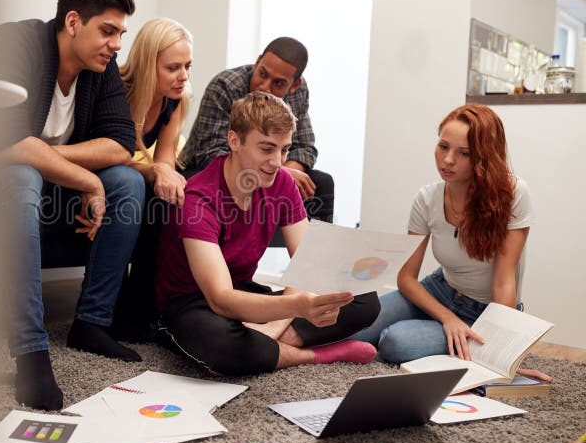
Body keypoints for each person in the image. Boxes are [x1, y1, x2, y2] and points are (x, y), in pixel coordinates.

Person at [0, 0, 145, 411]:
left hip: (50, 180)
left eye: (121, 33)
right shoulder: (17, 42)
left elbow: (120, 143)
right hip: (3, 181)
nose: (117, 44)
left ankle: (92, 322)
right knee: (23, 175)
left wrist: (53, 159)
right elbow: (5, 142)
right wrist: (86, 179)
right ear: (73, 21)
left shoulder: (102, 67)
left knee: (130, 182)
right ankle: (31, 350)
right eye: (108, 31)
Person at [155, 91, 380, 376]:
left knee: (362, 297)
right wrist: (296, 306)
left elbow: (308, 262)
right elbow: (220, 299)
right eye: (266, 148)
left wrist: (278, 320)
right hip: (193, 303)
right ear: (234, 141)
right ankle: (314, 355)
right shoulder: (200, 198)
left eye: (284, 150)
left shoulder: (282, 182)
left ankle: (266, 342)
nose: (277, 161)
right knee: (223, 346)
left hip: (244, 291)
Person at [352, 105, 548, 376]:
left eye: (463, 153)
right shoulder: (427, 197)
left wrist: (501, 356)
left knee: (394, 342)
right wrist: (446, 317)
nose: (447, 160)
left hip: (483, 312)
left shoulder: (513, 194)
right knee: (354, 325)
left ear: (484, 157)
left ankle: (457, 341)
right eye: (443, 146)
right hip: (439, 290)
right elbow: (406, 278)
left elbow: (504, 282)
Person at [179, 37, 334, 223]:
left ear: (294, 85)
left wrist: (280, 172)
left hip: (267, 167)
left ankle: (318, 250)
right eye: (262, 73)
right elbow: (210, 154)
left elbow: (304, 147)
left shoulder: (299, 93)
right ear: (257, 62)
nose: (264, 86)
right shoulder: (225, 87)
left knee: (322, 184)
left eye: (278, 83)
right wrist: (279, 173)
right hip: (204, 170)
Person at [110, 18, 192, 340]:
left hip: (133, 170)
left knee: (168, 196)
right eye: (173, 67)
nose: (183, 76)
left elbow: (165, 160)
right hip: (106, 171)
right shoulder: (116, 87)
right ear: (148, 63)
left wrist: (165, 174)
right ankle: (116, 310)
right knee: (141, 186)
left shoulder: (177, 99)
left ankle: (146, 306)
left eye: (187, 65)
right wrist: (156, 172)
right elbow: (111, 158)